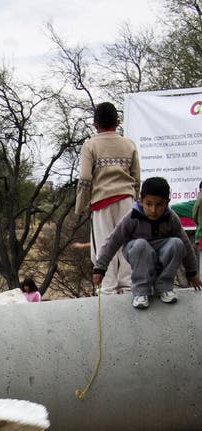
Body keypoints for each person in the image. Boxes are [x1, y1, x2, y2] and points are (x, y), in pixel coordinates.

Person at [93, 176, 202, 308]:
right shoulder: (133, 216)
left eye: (159, 205)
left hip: (161, 250)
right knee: (141, 245)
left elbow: (185, 244)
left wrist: (192, 273)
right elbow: (113, 241)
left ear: (167, 202)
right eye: (148, 204)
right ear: (141, 200)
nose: (153, 210)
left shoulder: (171, 218)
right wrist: (100, 269)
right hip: (136, 249)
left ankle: (164, 287)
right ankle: (140, 291)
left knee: (177, 243)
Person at [76, 101, 140, 295]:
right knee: (126, 242)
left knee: (105, 244)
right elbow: (137, 177)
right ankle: (128, 286)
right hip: (127, 199)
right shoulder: (129, 144)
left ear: (95, 125)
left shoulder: (90, 145)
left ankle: (108, 288)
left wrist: (81, 205)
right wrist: (135, 199)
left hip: (102, 201)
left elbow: (86, 178)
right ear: (118, 122)